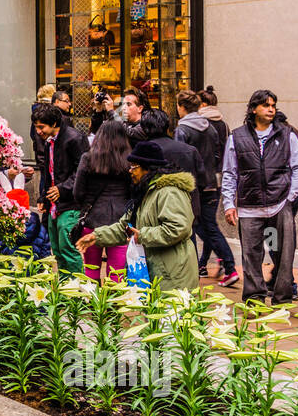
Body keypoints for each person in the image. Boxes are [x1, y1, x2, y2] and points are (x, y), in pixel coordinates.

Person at [76, 140, 199, 291]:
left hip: (173, 273)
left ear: (148, 168)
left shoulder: (169, 191)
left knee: (171, 313)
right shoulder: (144, 192)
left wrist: (143, 235)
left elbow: (178, 228)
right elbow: (125, 227)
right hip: (155, 270)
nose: (130, 170)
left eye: (134, 166)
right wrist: (97, 236)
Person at [221, 89, 298, 304]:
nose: (271, 109)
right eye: (266, 105)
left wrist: (290, 196)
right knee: (251, 255)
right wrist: (229, 204)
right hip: (250, 208)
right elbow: (230, 173)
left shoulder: (287, 134)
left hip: (279, 205)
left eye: (273, 105)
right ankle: (254, 298)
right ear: (253, 109)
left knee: (282, 254)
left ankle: (282, 297)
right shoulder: (237, 137)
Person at [176, 89, 239, 287]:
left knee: (194, 227)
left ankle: (203, 267)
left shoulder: (183, 129)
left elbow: (180, 158)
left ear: (182, 107)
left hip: (191, 185)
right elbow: (219, 155)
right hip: (211, 183)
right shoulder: (210, 128)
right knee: (207, 226)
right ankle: (225, 266)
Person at [73, 119, 133, 282]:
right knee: (117, 272)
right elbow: (132, 191)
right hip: (120, 222)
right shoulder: (129, 161)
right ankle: (113, 306)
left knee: (91, 269)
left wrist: (84, 205)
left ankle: (92, 305)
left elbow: (78, 192)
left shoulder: (87, 158)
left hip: (93, 218)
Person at [33, 102, 89, 274]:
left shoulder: (74, 138)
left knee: (68, 251)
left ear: (54, 124)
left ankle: (75, 292)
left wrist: (62, 188)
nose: (38, 131)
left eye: (41, 127)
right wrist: (43, 197)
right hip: (55, 205)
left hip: (70, 205)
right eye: (36, 127)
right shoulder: (50, 142)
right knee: (57, 251)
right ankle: (65, 291)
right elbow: (49, 173)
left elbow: (84, 170)